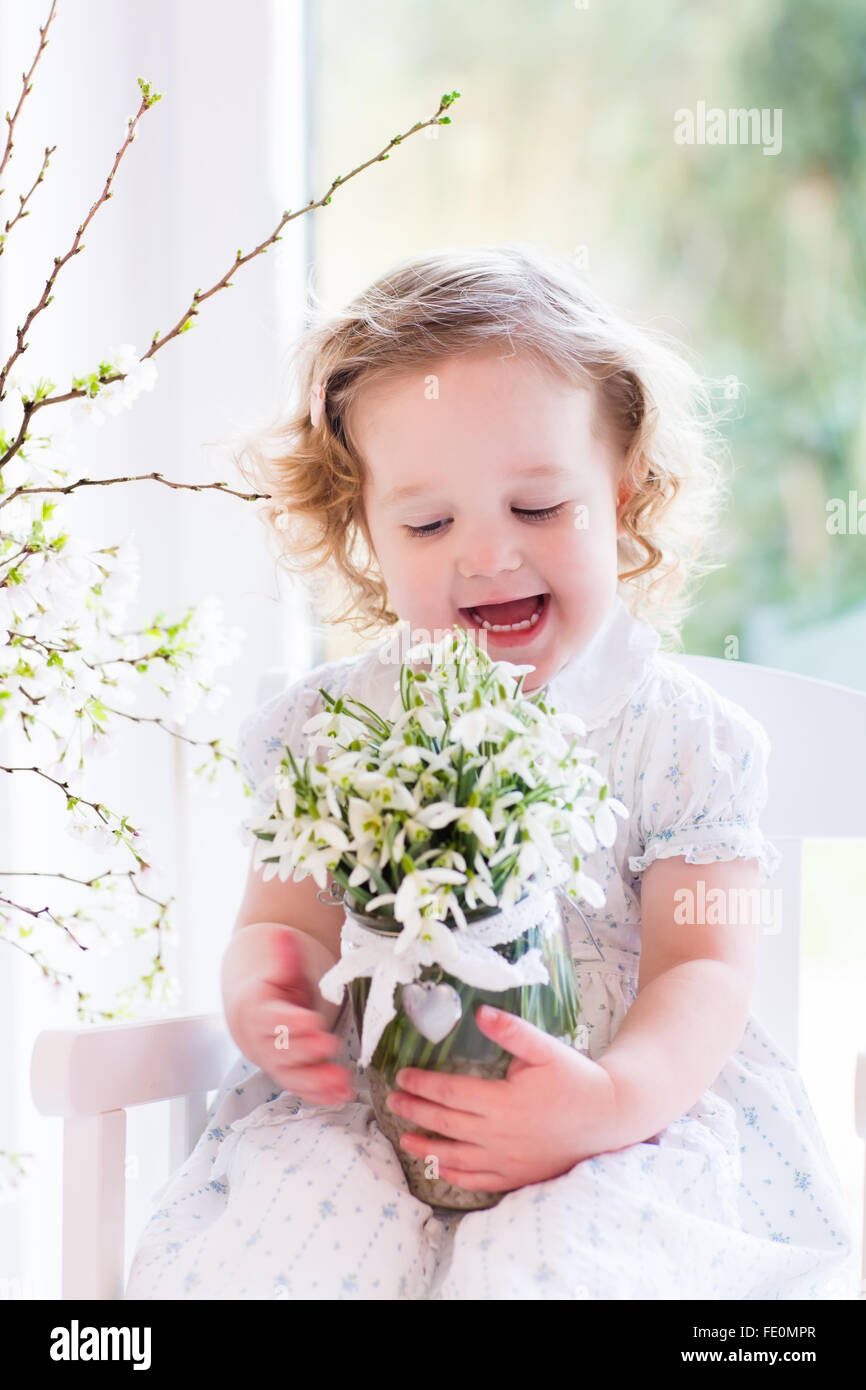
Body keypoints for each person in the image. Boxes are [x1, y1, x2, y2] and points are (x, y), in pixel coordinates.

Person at [124, 242, 859, 1300]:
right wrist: (267, 987)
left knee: (563, 1266)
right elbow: (280, 924)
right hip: (370, 1111)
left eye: (538, 508)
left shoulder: (677, 737)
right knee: (285, 1249)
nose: (486, 554)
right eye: (428, 522)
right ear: (364, 532)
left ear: (624, 492)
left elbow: (703, 968)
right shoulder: (333, 729)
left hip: (613, 1119)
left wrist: (605, 1101)